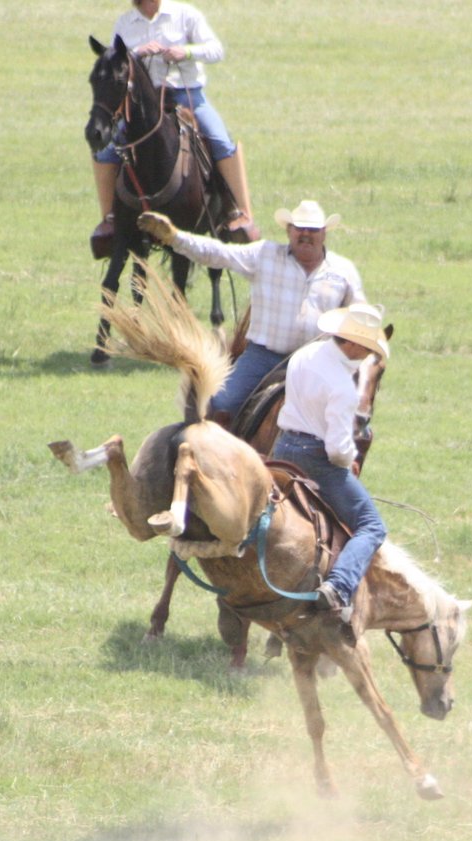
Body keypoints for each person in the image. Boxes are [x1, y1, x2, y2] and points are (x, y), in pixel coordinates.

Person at [139, 199, 365, 418]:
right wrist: (176, 238)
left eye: (313, 229)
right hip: (263, 356)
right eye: (300, 228)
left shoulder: (343, 271)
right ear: (289, 231)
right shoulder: (265, 255)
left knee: (350, 412)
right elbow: (219, 253)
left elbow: (360, 315)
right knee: (222, 405)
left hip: (316, 361)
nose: (306, 234)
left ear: (324, 233)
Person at [91, 0, 256, 250]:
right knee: (105, 151)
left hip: (186, 93)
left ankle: (238, 214)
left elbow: (216, 50)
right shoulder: (125, 23)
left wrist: (185, 52)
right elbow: (116, 60)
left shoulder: (185, 15)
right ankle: (110, 219)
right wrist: (138, 53)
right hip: (145, 102)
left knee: (220, 140)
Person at [268, 304, 390, 625]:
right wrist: (348, 460)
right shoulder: (342, 386)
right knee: (372, 526)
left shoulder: (303, 355)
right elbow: (337, 449)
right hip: (316, 459)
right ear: (352, 344)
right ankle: (337, 587)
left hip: (281, 449)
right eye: (366, 348)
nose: (366, 355)